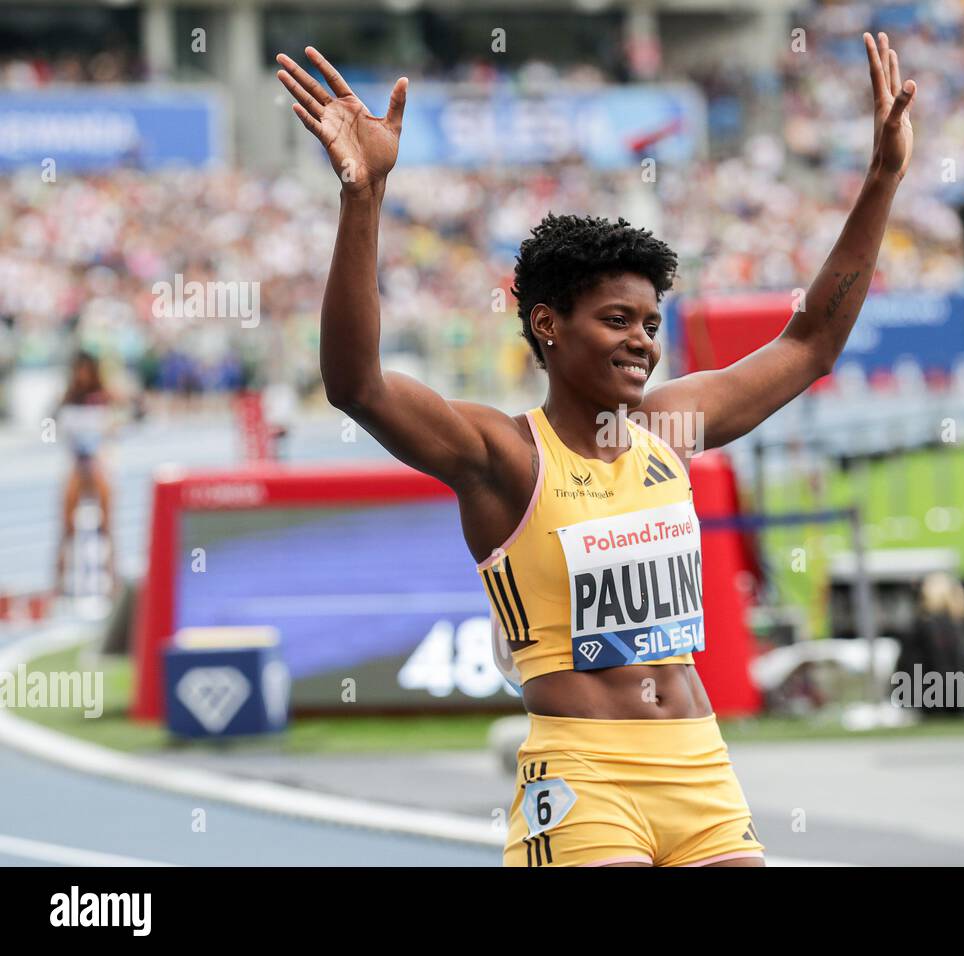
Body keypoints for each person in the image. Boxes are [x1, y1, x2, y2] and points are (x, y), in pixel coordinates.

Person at [275, 33, 916, 865]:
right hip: (583, 779)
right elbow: (355, 384)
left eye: (651, 324)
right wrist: (364, 198)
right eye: (617, 321)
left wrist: (882, 179)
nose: (644, 343)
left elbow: (809, 345)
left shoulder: (668, 429)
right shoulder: (502, 457)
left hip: (701, 771)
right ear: (548, 324)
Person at [53, 349, 118, 594]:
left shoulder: (104, 396)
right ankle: (59, 580)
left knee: (108, 525)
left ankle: (113, 580)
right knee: (66, 525)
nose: (82, 375)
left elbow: (120, 423)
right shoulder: (66, 398)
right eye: (78, 370)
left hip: (99, 463)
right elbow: (53, 427)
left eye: (86, 370)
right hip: (76, 465)